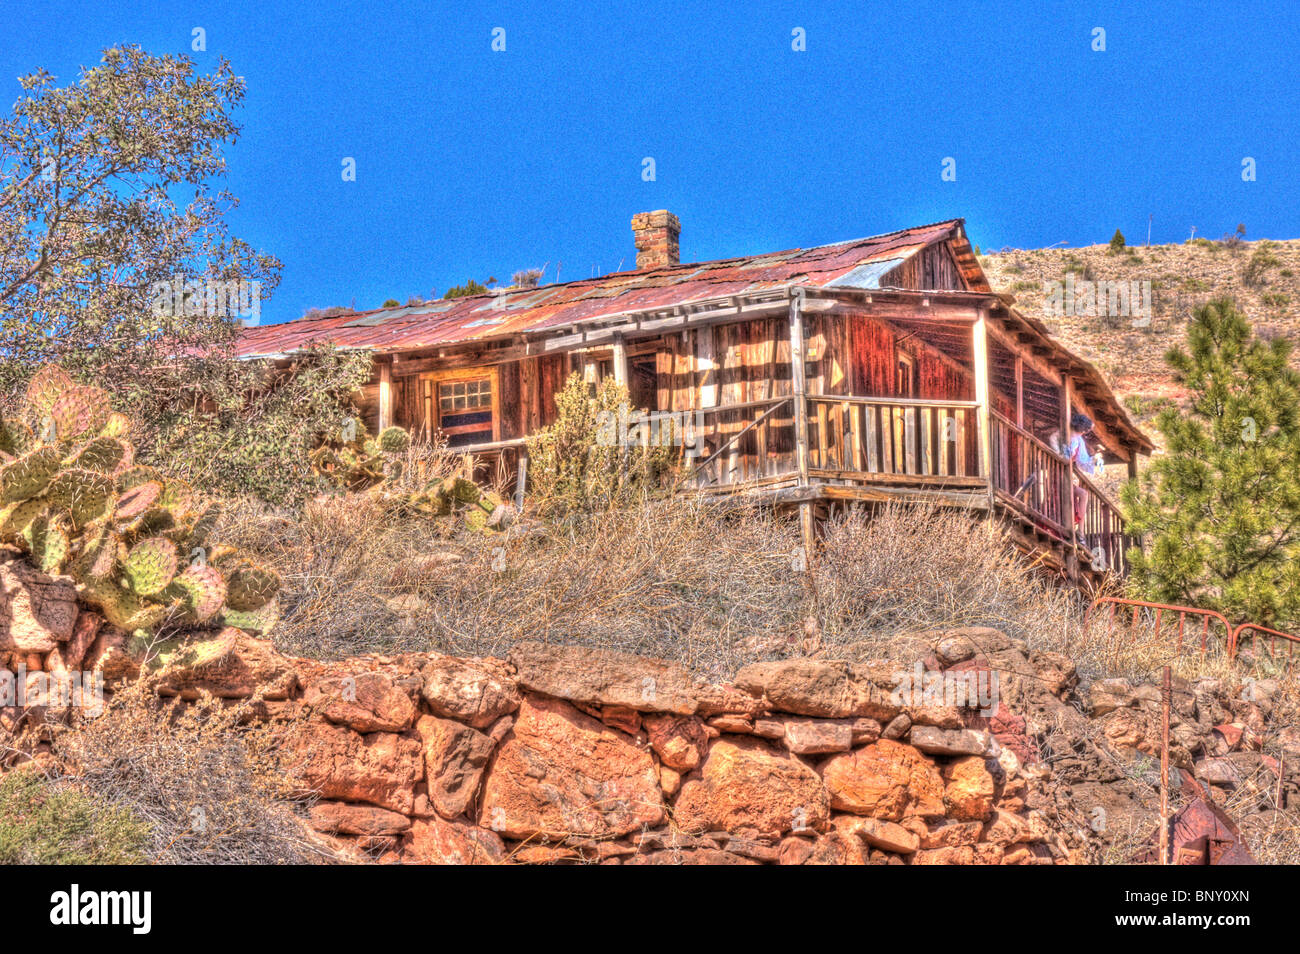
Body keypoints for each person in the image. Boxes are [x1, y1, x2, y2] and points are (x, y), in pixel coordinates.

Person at [1065, 412, 1100, 545]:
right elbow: (1054, 441)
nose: (1085, 432)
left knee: (1084, 494)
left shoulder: (1079, 440)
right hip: (1056, 471)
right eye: (1086, 430)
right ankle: (1079, 532)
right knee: (1080, 494)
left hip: (1066, 475)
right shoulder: (1064, 434)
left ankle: (1081, 531)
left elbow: (1083, 461)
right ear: (1082, 428)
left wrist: (1095, 460)